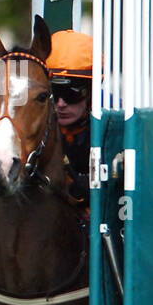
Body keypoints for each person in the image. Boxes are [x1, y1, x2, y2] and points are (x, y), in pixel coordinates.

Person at [46, 29, 93, 208]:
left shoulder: (114, 128)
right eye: (54, 93)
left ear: (91, 93)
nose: (61, 103)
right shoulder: (35, 130)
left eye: (71, 94)